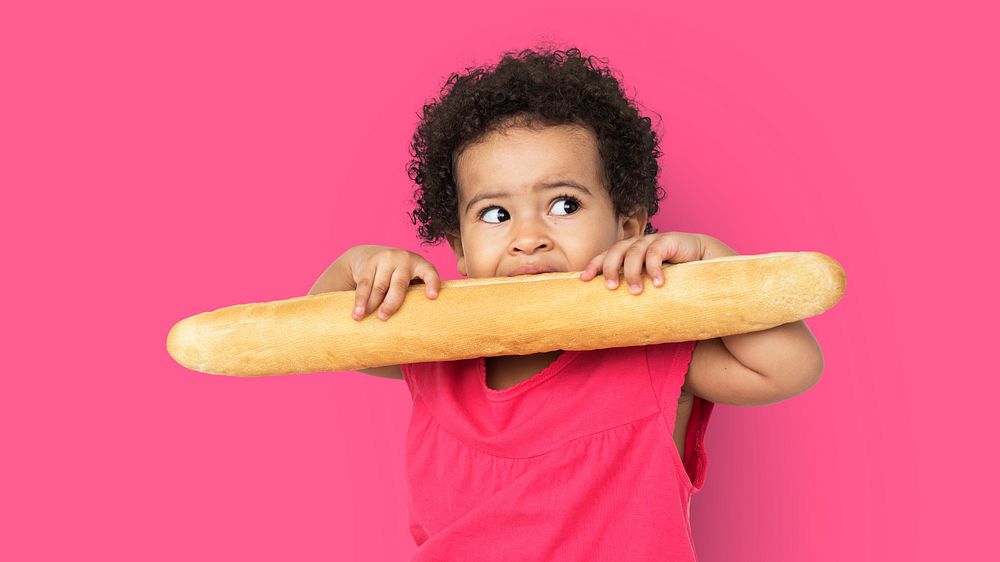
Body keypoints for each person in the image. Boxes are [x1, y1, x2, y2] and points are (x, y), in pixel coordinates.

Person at [308, 46, 825, 561]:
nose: (528, 237)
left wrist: (715, 266)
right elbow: (318, 338)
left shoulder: (651, 349)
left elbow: (789, 367)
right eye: (494, 214)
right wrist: (356, 268)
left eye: (564, 205)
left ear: (627, 227)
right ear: (460, 250)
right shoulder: (432, 352)